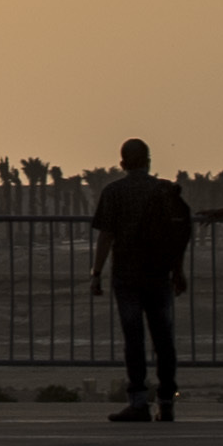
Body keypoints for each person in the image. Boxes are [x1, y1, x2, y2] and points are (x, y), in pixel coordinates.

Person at [87, 137, 193, 426]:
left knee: (133, 340)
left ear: (122, 163)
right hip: (159, 274)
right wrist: (178, 270)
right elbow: (177, 234)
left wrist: (96, 273)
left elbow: (106, 236)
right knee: (163, 340)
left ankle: (137, 402)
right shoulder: (164, 191)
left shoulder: (114, 192)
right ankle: (167, 401)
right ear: (149, 160)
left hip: (127, 274)